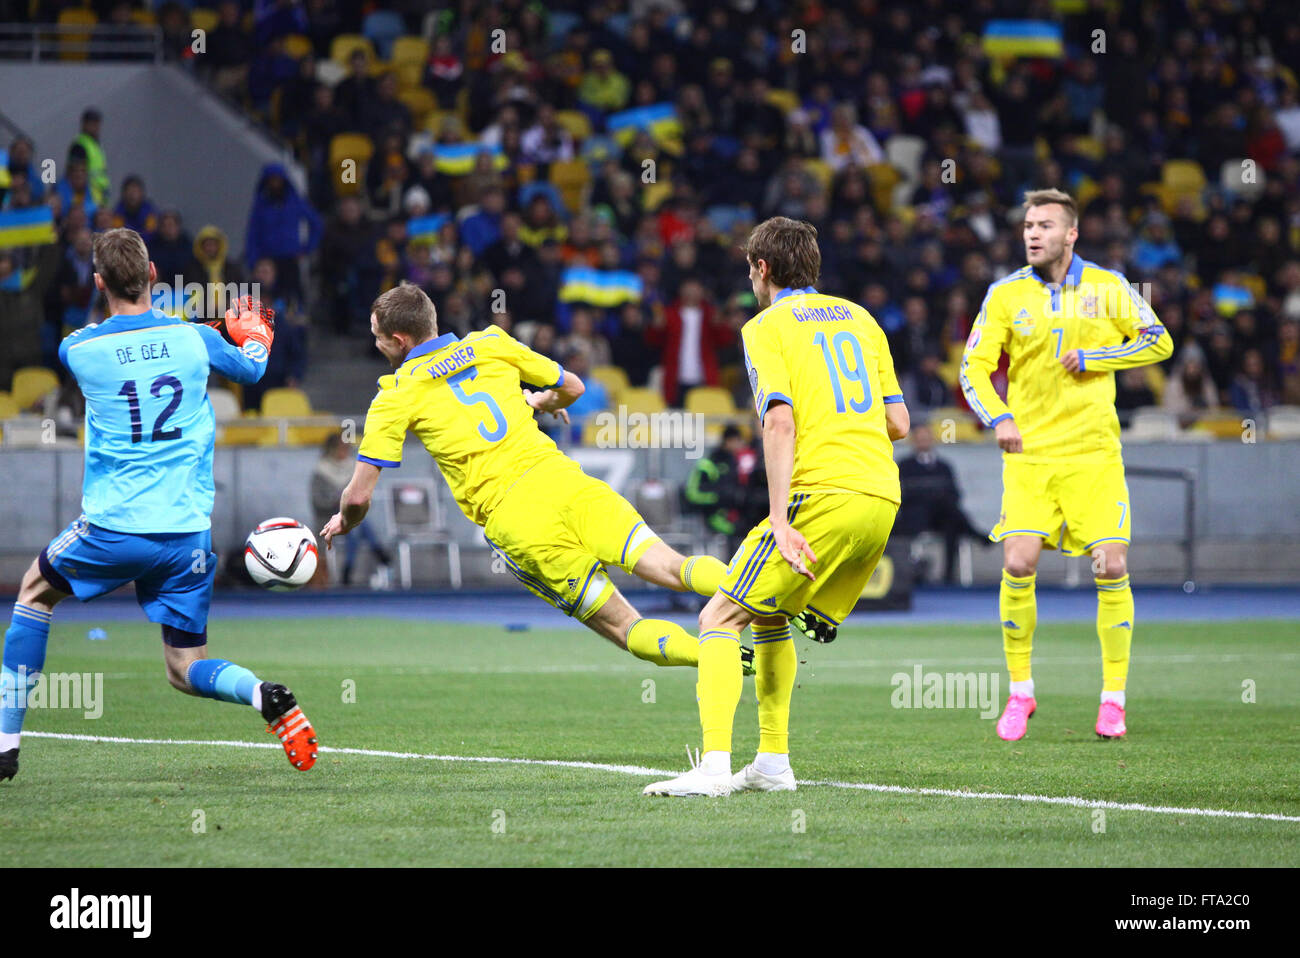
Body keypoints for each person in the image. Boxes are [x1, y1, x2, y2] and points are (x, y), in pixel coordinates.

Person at [0, 228, 316, 781]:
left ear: (98, 283)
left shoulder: (77, 349)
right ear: (153, 276)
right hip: (187, 535)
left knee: (34, 591)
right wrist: (255, 333)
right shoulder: (193, 338)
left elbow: (129, 348)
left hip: (114, 528)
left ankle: (4, 743)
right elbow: (250, 367)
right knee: (184, 666)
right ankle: (262, 693)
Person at [319, 283, 756, 677]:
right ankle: (772, 595)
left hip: (518, 521)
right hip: (564, 480)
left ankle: (713, 656)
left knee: (627, 628)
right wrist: (542, 401)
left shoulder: (394, 396)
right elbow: (574, 387)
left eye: (377, 336)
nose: (375, 344)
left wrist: (345, 520)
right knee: (671, 566)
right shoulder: (491, 342)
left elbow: (358, 496)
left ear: (399, 340)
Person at [643, 216, 910, 797]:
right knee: (767, 617)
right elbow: (899, 422)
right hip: (882, 497)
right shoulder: (863, 320)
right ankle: (771, 763)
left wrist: (782, 520)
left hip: (823, 493)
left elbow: (780, 420)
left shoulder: (766, 326)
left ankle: (713, 769)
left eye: (750, 269)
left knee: (717, 619)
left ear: (761, 269)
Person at [959, 188, 1173, 742]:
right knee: (1020, 561)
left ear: (1071, 234)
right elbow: (972, 369)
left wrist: (1099, 356)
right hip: (1031, 455)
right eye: (1028, 224)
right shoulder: (1005, 294)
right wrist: (999, 418)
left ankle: (1113, 699)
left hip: (1094, 455)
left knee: (1110, 565)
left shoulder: (1107, 287)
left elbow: (1159, 340)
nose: (1033, 233)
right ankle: (1021, 692)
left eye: (1045, 225)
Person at [895, 422, 988, 584]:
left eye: (926, 438)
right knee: (949, 511)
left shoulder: (944, 466)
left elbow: (955, 493)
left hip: (940, 516)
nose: (923, 441)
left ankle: (948, 576)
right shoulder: (904, 465)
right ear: (914, 441)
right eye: (920, 438)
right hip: (916, 516)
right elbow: (903, 494)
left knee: (952, 522)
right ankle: (976, 534)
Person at [311, 434, 392, 586]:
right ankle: (376, 549)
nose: (345, 452)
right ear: (332, 450)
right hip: (328, 518)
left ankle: (348, 568)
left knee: (355, 523)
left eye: (346, 448)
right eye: (341, 448)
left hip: (348, 516)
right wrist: (336, 503)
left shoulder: (352, 469)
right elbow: (317, 501)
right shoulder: (321, 472)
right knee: (355, 524)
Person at [682, 424, 768, 555]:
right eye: (739, 441)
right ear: (729, 441)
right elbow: (692, 494)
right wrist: (720, 497)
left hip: (738, 513)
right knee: (744, 530)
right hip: (715, 516)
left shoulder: (739, 462)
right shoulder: (708, 464)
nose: (741, 445)